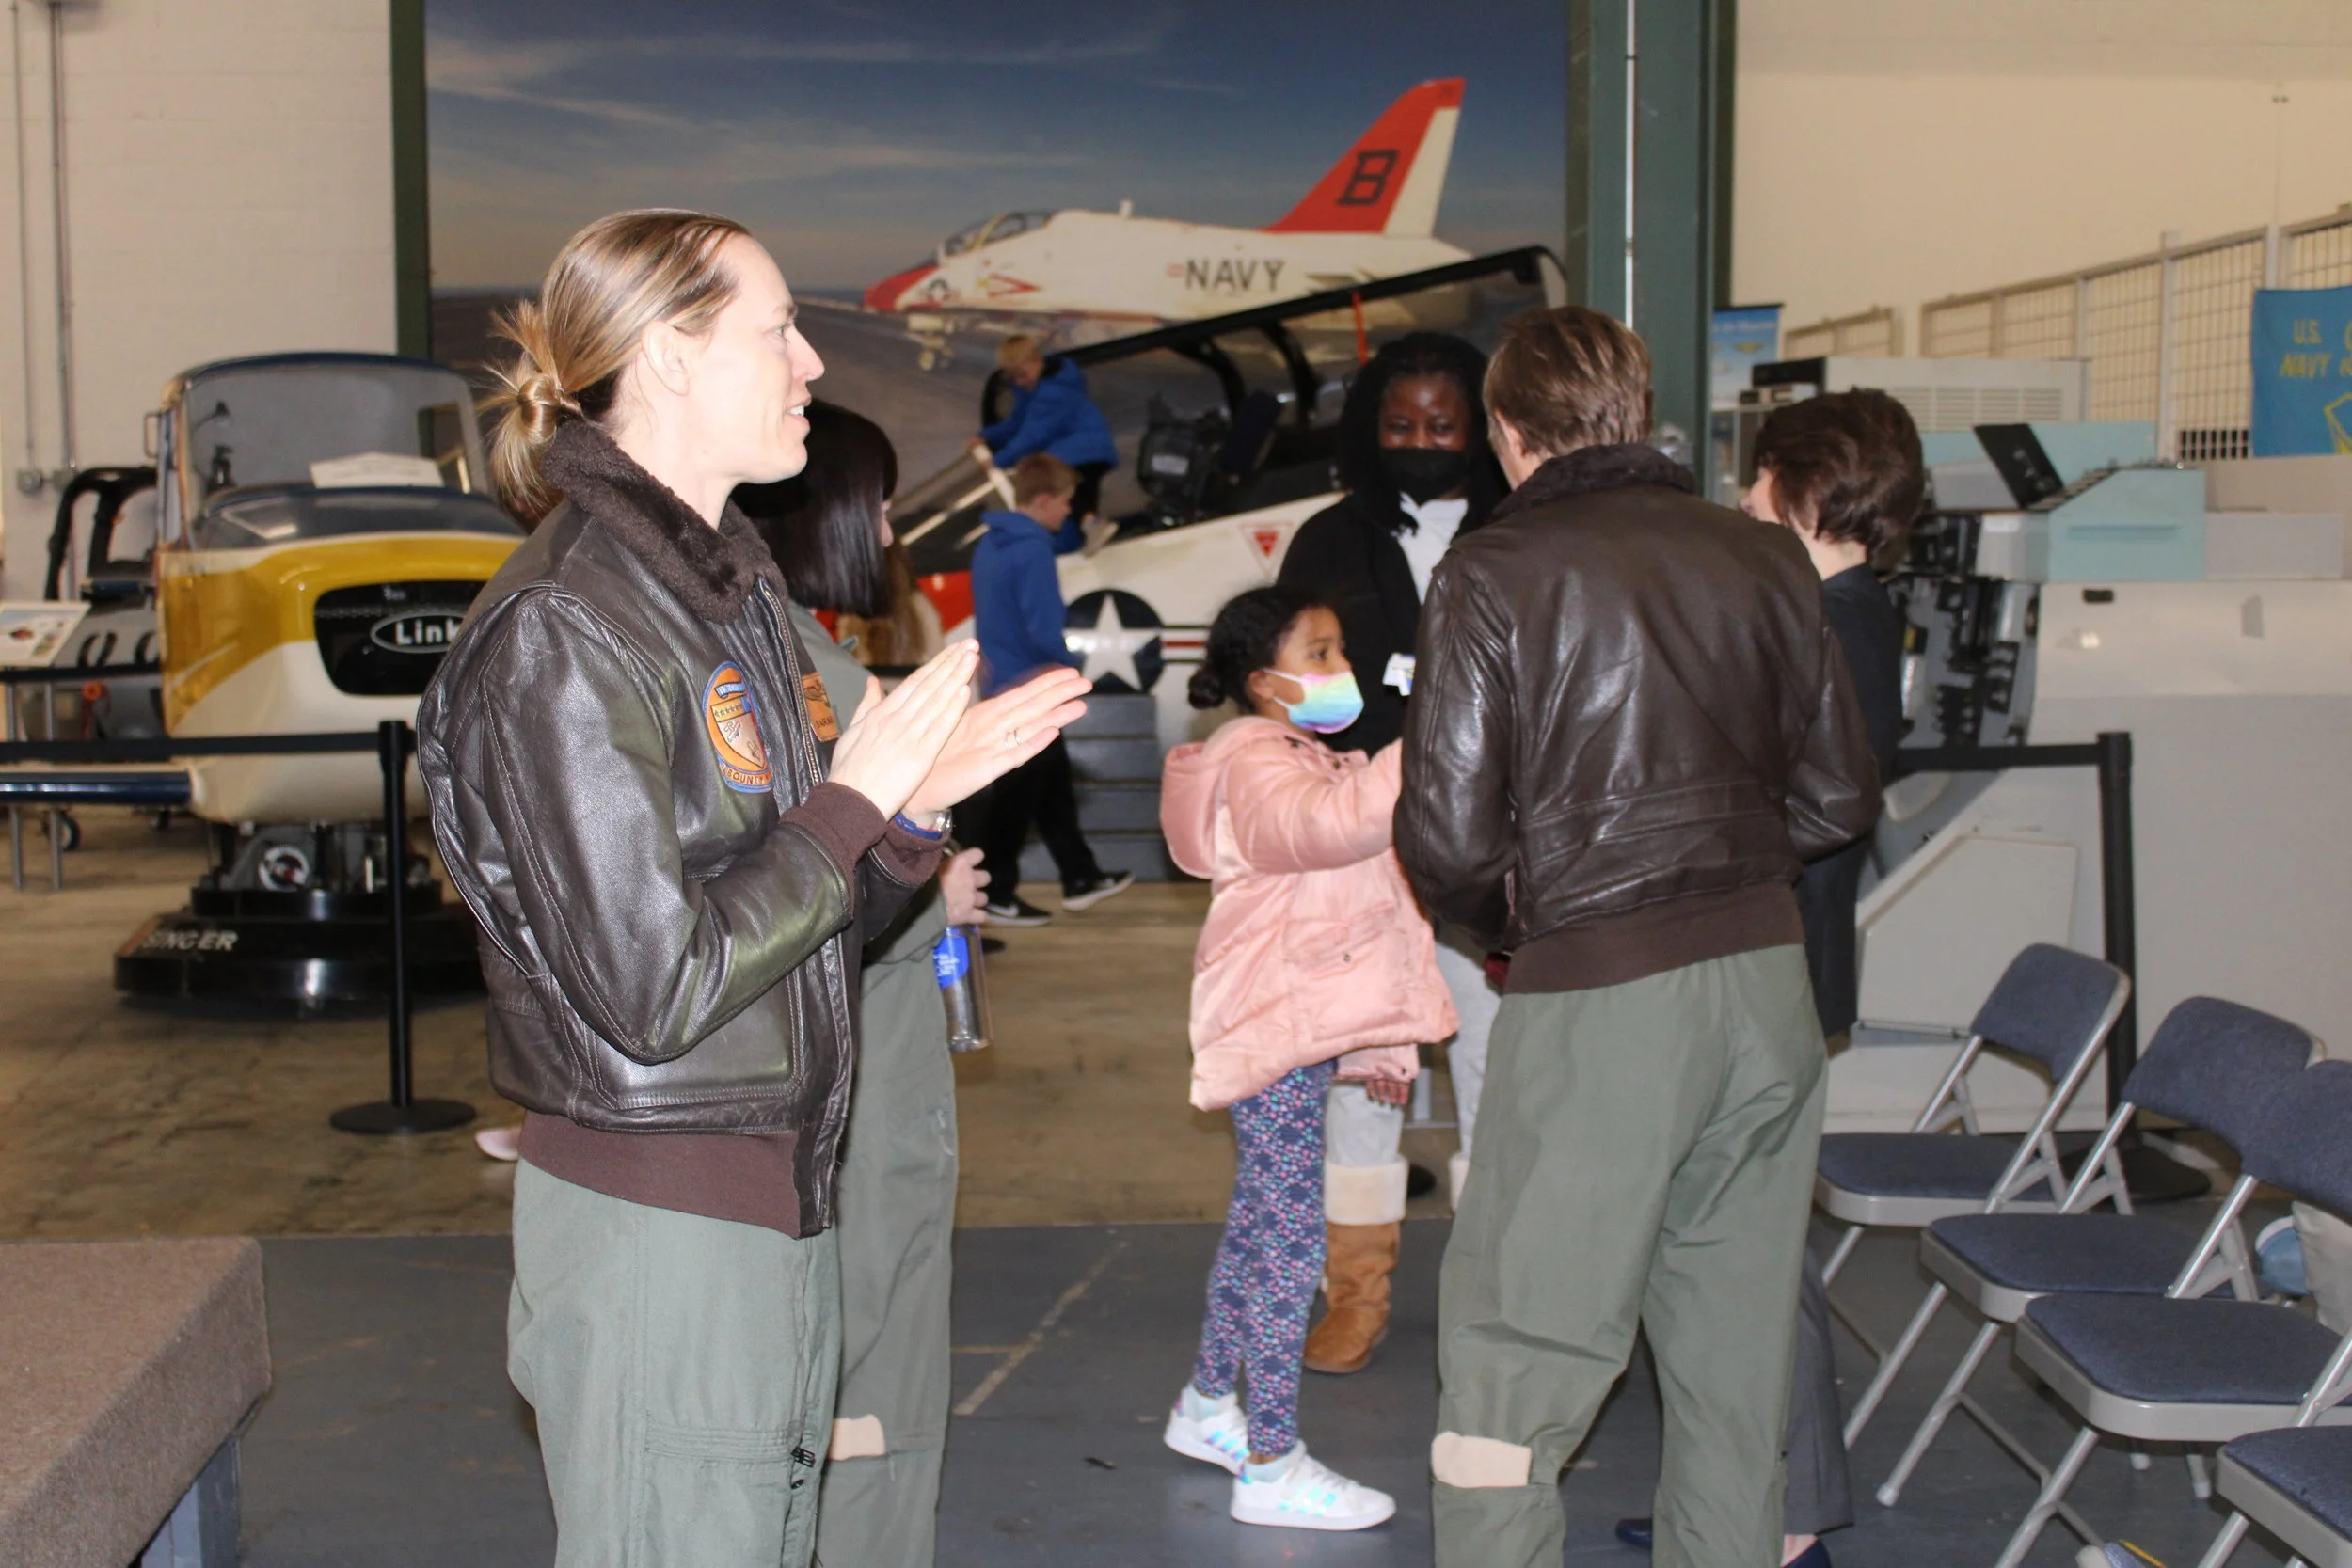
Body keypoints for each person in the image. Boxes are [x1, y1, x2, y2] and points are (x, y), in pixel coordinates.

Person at [416, 209, 1090, 1568]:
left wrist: (905, 817)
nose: (811, 364)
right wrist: (854, 802)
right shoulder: (570, 622)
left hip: (767, 1199)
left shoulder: (723, 598)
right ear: (670, 353)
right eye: (778, 330)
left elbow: (799, 927)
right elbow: (652, 984)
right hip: (665, 1226)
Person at [1397, 305, 1881, 1568]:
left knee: (1514, 1366)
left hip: (1603, 994)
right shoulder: (1765, 557)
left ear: (1508, 432)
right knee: (1734, 1367)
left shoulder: (1493, 570)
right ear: (1637, 412)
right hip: (1765, 995)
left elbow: (1445, 839)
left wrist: (1540, 923)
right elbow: (1840, 794)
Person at [1613, 388, 1923, 1568]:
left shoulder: (1831, 624)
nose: (1742, 499)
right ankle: (1732, 1492)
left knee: (1746, 1257)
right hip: (1772, 956)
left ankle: (1783, 1520)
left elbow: (1801, 803)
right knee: (1720, 1245)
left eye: (1758, 479)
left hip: (1765, 960)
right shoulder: (1836, 613)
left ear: (1805, 486)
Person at [1157, 584, 1457, 1532]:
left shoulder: (1296, 752)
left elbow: (1351, 900)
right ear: (1263, 681)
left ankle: (1209, 1403)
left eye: (1338, 649)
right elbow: (1323, 832)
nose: (1341, 668)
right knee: (1289, 1243)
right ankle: (1271, 1461)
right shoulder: (1258, 757)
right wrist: (1424, 733)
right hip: (1272, 1025)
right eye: (1318, 653)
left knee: (1260, 1223)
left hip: (1290, 1021)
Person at [739, 400, 977, 1568]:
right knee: (871, 1352)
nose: (887, 532)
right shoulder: (816, 677)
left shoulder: (761, 652)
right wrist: (928, 881)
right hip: (862, 1072)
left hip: (812, 1071)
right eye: (875, 505)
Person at [1274, 332, 1508, 1375]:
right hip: (1359, 854)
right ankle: (1355, 1293)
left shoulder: (1520, 528)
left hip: (1489, 852)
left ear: (1481, 428)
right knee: (1360, 1077)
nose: (1420, 440)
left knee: (1496, 1072)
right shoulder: (1327, 539)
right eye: (1400, 424)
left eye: (1442, 424)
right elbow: (1290, 686)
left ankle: (1493, 1295)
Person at [969, 451, 1133, 925]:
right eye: (1064, 501)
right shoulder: (1033, 549)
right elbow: (1043, 626)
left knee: (1050, 784)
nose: (1067, 511)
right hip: (1033, 684)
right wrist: (1074, 668)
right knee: (1018, 794)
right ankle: (995, 891)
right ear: (1043, 500)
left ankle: (1080, 876)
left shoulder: (990, 545)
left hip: (1004, 683)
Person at [971, 334, 1120, 520]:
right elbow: (1018, 422)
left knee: (1064, 499)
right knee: (1070, 503)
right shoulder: (1032, 389)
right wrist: (986, 436)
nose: (1019, 382)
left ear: (1038, 362)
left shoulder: (1052, 394)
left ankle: (1090, 525)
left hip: (1085, 452)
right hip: (1079, 451)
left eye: (1023, 375)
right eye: (1013, 377)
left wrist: (998, 460)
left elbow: (1032, 435)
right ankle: (1088, 527)